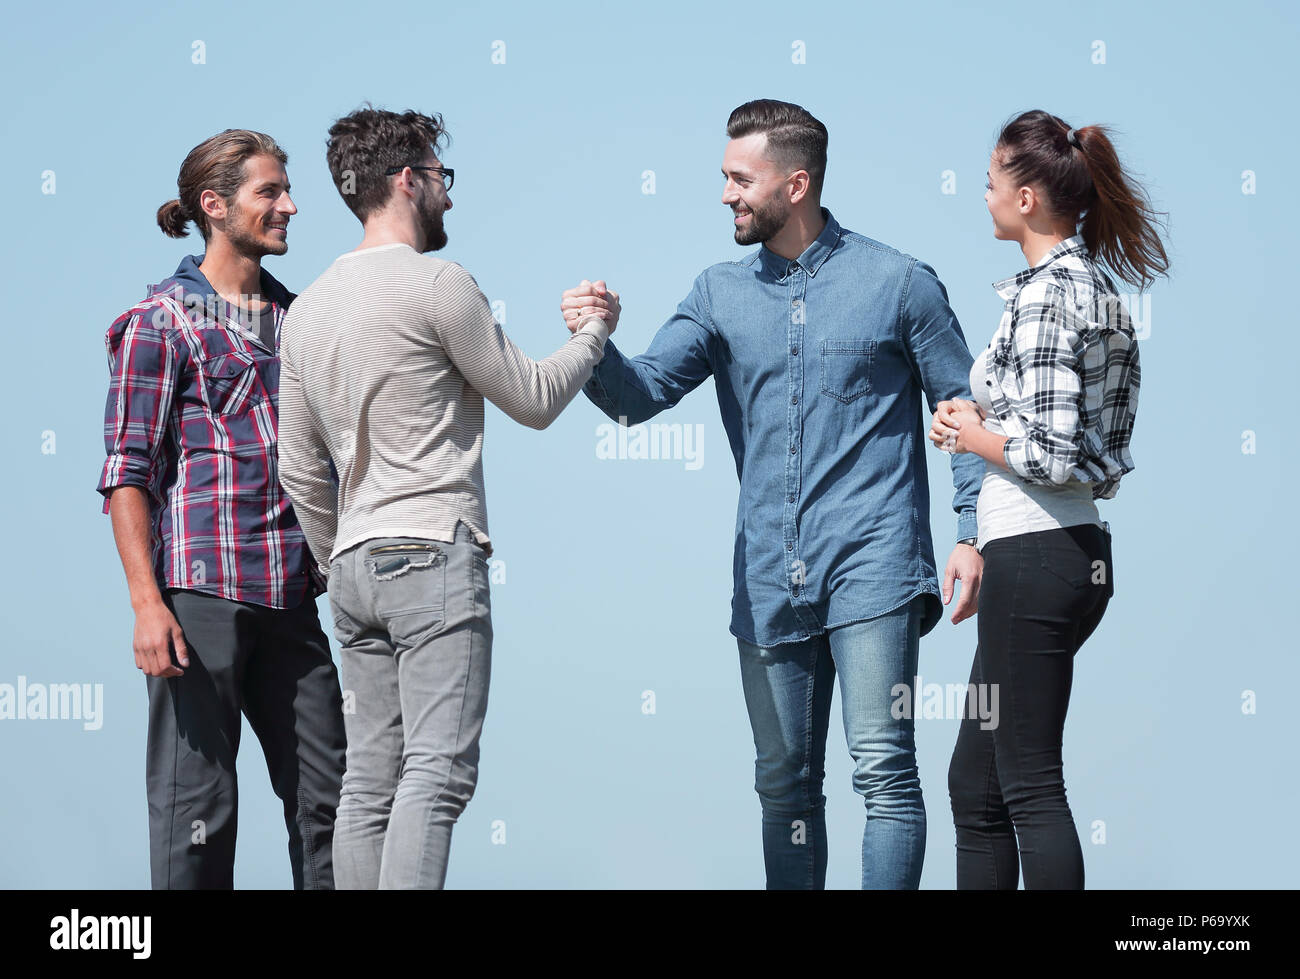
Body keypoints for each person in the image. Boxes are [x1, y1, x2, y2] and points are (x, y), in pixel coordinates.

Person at [562, 99, 985, 889]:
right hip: (767, 577)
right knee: (784, 781)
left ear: (796, 184)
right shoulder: (717, 292)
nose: (725, 193)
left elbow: (962, 410)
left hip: (877, 563)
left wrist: (970, 529)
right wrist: (594, 341)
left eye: (738, 178)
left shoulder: (901, 283)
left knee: (884, 768)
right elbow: (637, 396)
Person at [275, 105, 616, 889]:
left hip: (355, 566)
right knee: (437, 773)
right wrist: (593, 333)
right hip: (431, 547)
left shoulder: (308, 310)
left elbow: (299, 468)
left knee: (367, 781)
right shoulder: (439, 284)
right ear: (407, 179)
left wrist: (339, 555)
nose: (448, 197)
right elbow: (532, 397)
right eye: (440, 177)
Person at [97, 130, 347, 889]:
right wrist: (148, 605)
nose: (290, 206)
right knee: (197, 815)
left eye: (286, 189)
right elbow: (126, 474)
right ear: (215, 206)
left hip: (294, 601)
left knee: (336, 805)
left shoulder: (301, 322)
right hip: (199, 602)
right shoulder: (159, 322)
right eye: (269, 192)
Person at [931, 109, 1169, 889]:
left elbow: (1052, 452)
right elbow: (1091, 454)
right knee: (978, 783)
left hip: (1036, 557)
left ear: (1027, 197)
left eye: (993, 182)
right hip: (1057, 554)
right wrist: (986, 425)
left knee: (1027, 781)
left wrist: (969, 431)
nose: (986, 195)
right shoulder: (1092, 289)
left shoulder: (1045, 297)